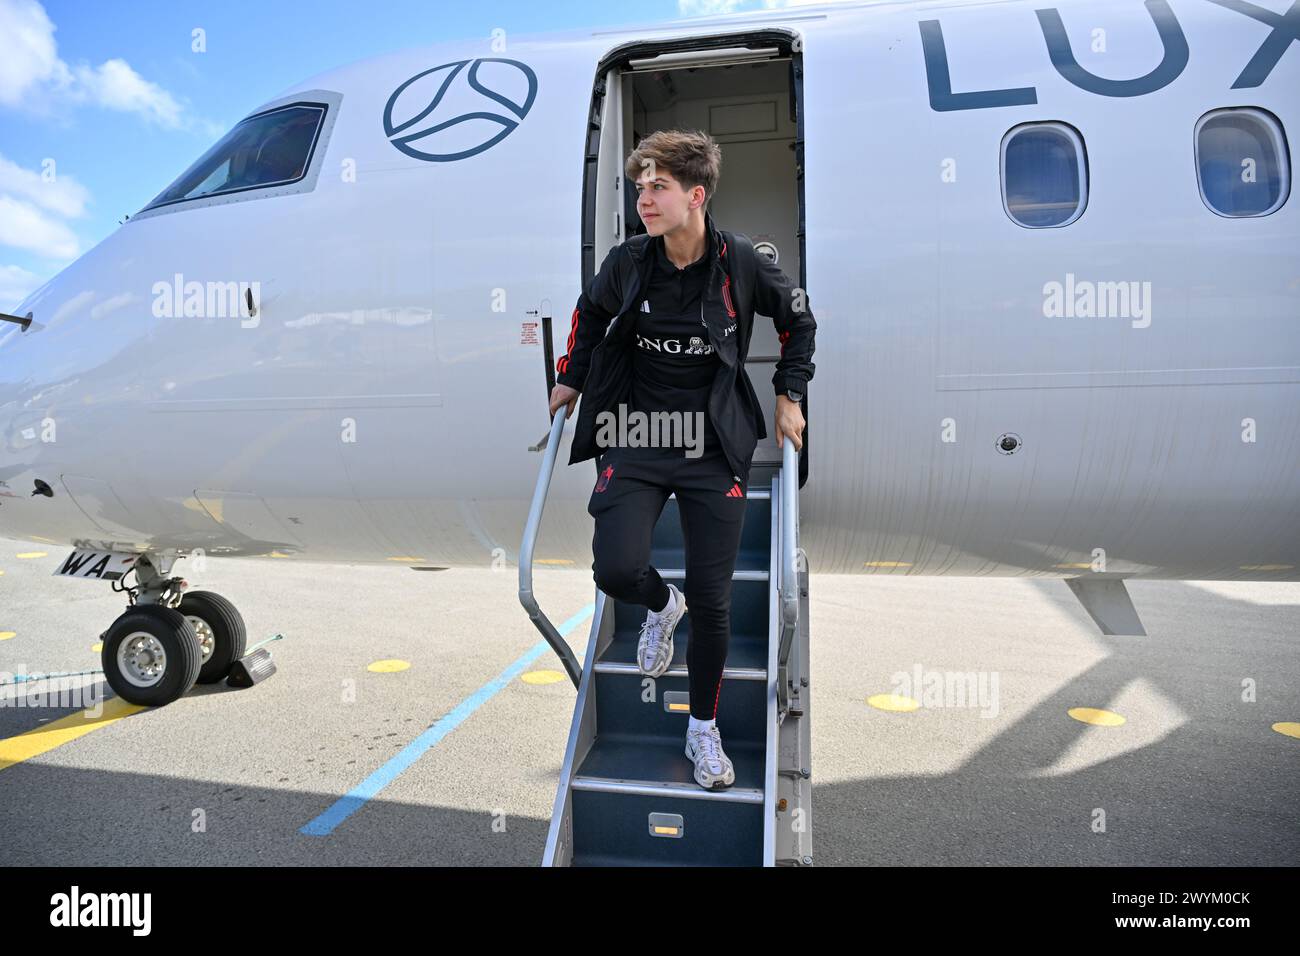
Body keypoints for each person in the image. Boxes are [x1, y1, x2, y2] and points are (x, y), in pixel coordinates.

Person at [548, 129, 816, 789]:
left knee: (716, 600)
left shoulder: (742, 263)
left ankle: (703, 730)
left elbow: (799, 320)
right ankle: (661, 604)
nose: (645, 196)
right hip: (636, 433)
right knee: (614, 569)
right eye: (641, 185)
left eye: (658, 185)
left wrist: (789, 394)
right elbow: (588, 311)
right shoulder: (630, 261)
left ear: (695, 196)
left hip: (711, 447)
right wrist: (572, 379)